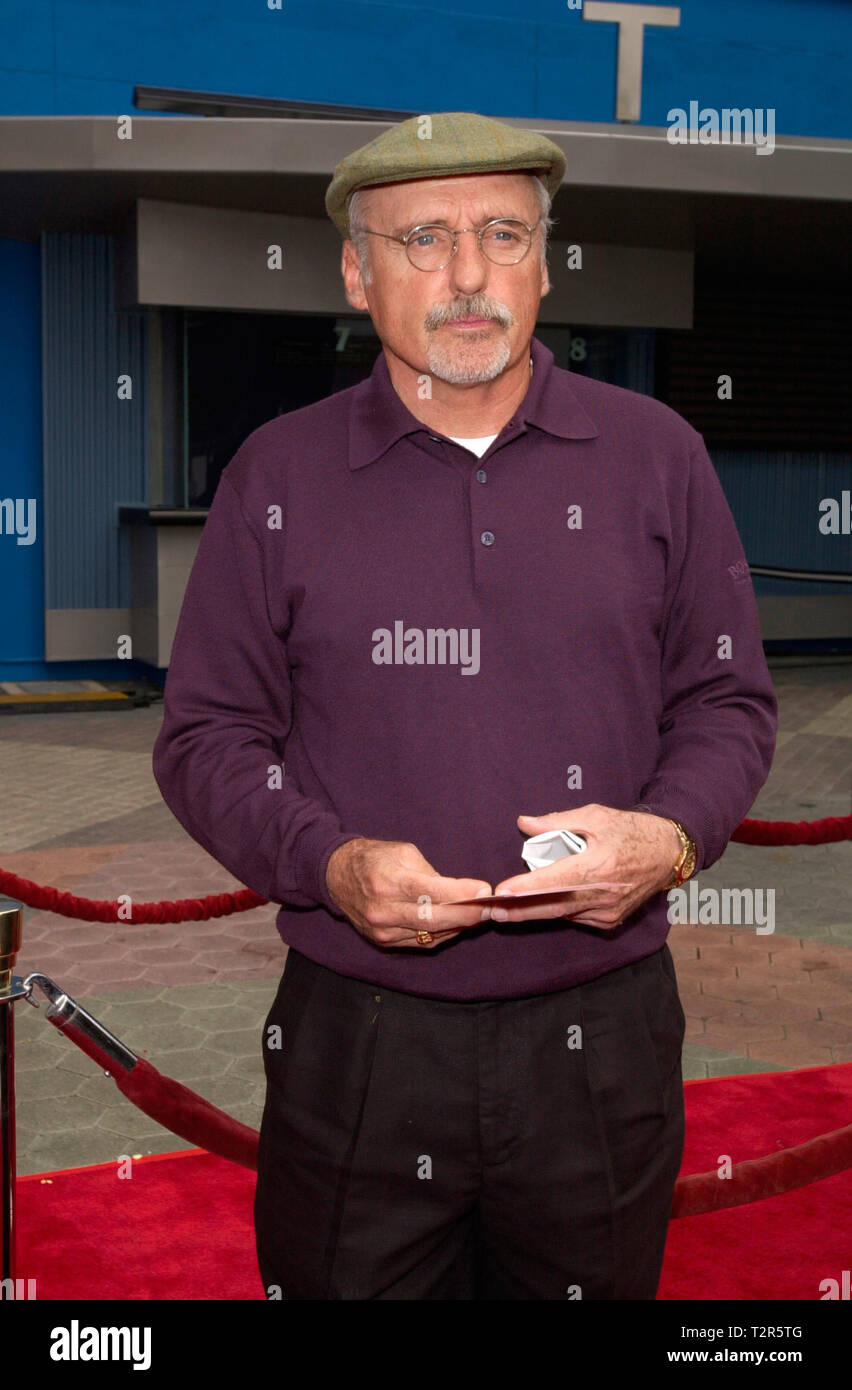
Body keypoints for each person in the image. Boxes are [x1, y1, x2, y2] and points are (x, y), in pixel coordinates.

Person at [152, 111, 777, 1300]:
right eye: (425, 237)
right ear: (356, 267)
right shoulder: (275, 476)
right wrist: (328, 864)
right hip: (358, 1043)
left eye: (504, 232)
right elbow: (207, 737)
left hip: (604, 1041)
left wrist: (674, 835)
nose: (471, 275)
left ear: (546, 259)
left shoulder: (658, 456)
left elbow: (727, 700)